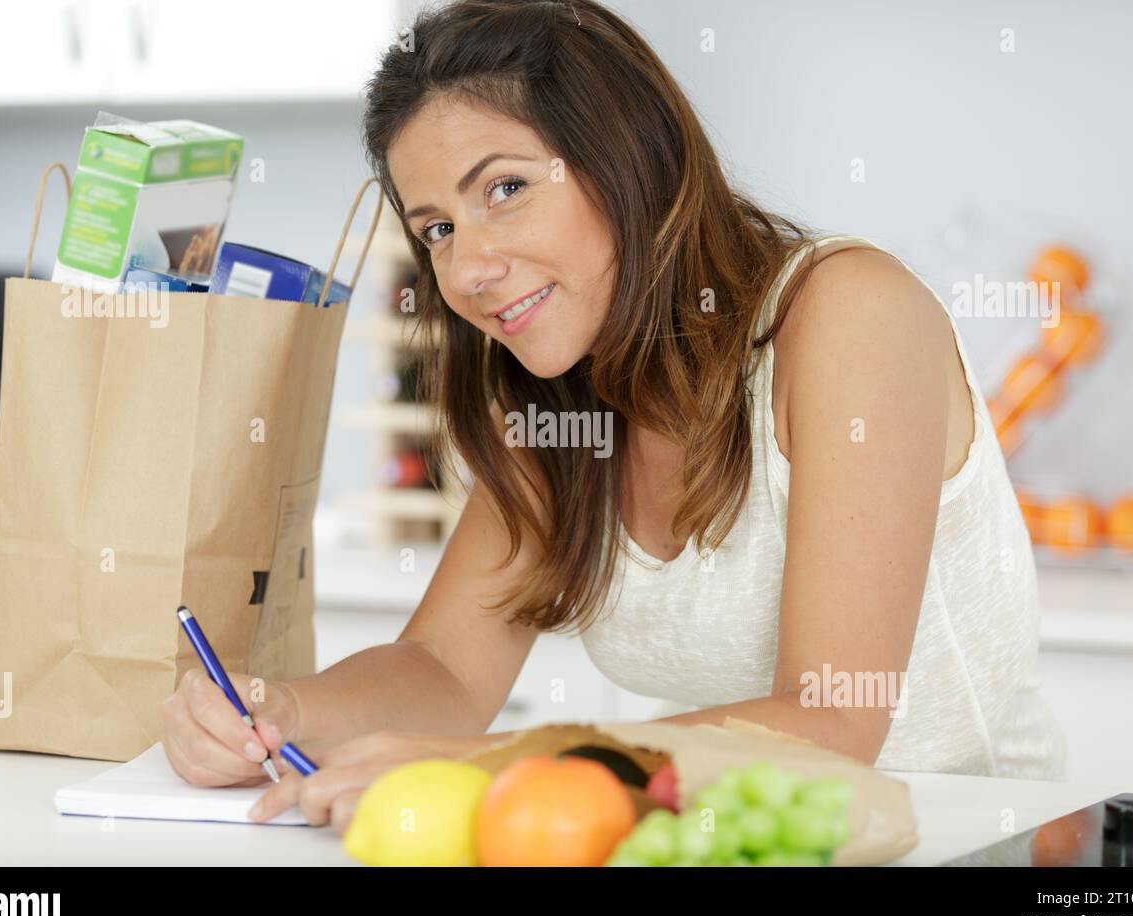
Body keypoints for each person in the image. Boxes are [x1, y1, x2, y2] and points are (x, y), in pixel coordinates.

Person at [162, 0, 1067, 835]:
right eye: (436, 228)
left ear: (627, 158)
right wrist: (280, 711)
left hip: (973, 844)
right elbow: (445, 669)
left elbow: (831, 720)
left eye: (506, 189)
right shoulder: (558, 399)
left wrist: (486, 764)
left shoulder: (847, 315)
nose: (468, 269)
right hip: (716, 843)